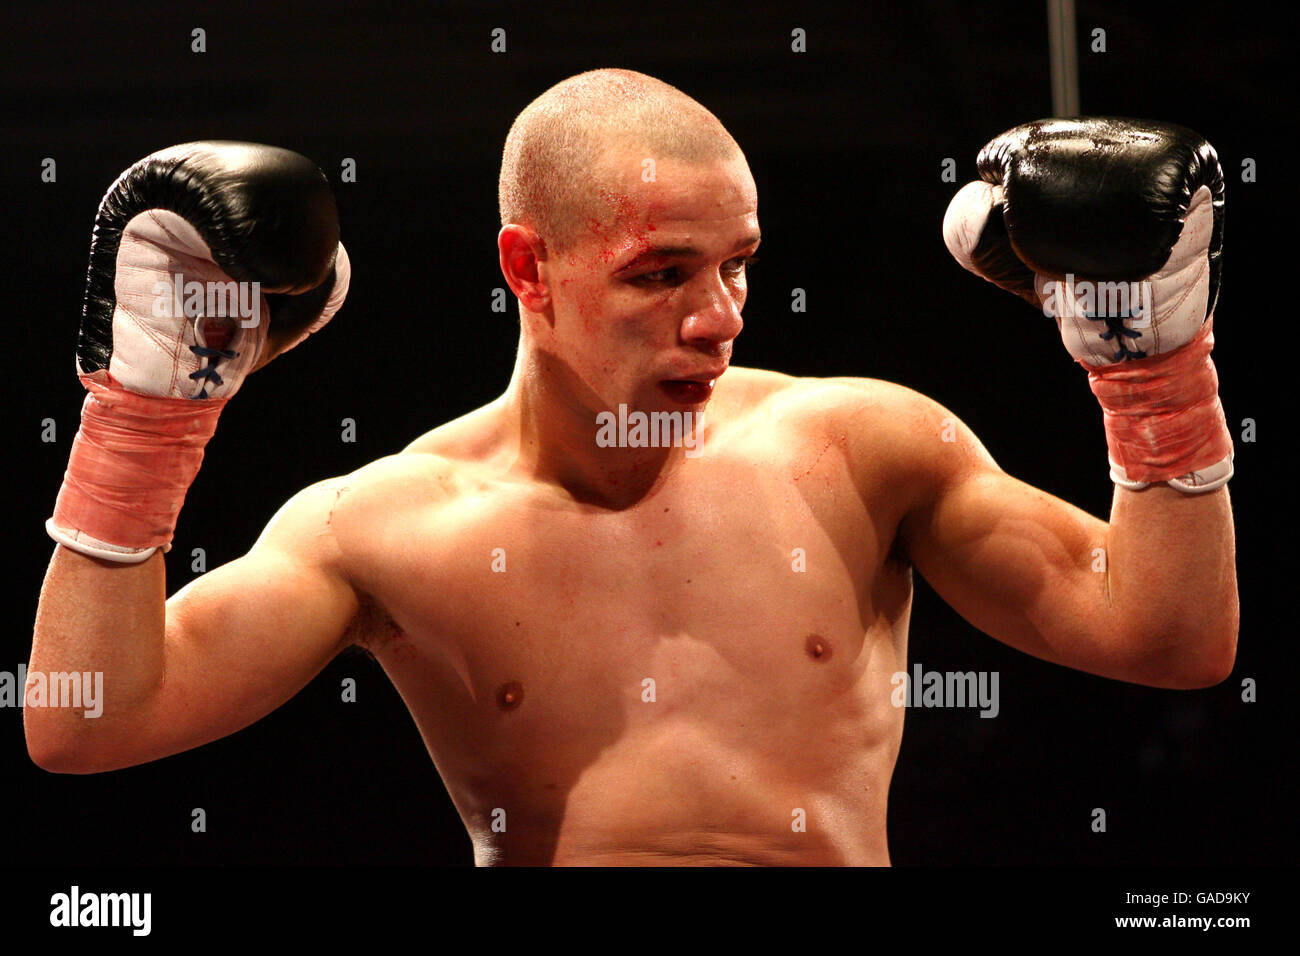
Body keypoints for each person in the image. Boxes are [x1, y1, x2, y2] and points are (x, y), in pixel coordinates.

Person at [27, 70, 1238, 866]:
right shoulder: (388, 521)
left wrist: (1156, 372)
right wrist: (146, 421)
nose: (720, 318)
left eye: (741, 264)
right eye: (662, 273)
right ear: (528, 268)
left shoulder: (862, 446)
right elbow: (86, 724)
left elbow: (1167, 636)